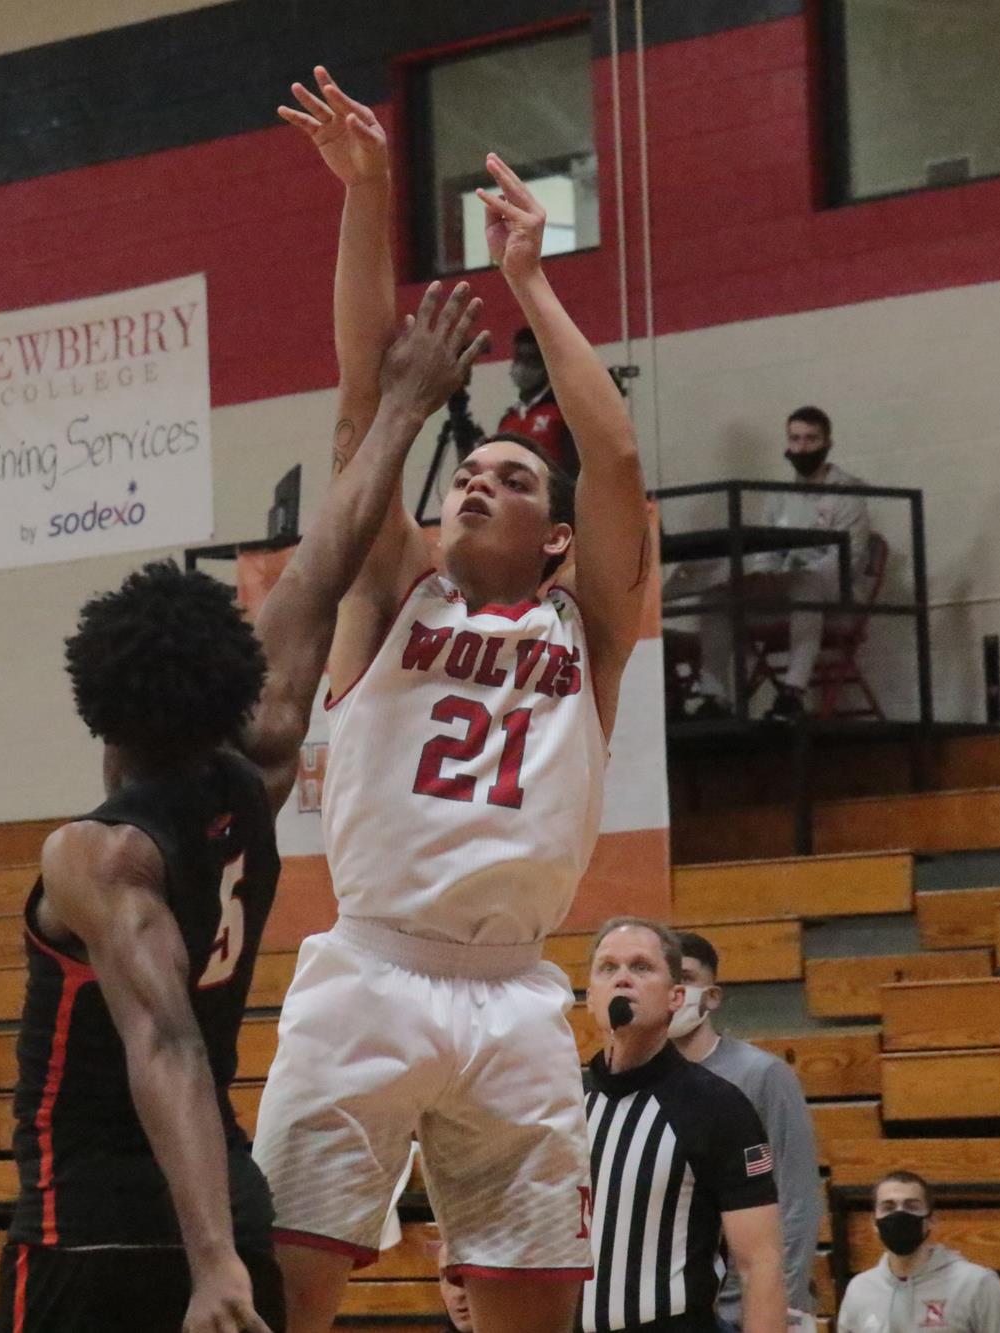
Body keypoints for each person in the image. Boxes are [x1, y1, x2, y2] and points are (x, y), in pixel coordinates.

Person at [0, 283, 490, 1330]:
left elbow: (164, 1044)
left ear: (103, 710)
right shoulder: (255, 773)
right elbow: (321, 566)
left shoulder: (97, 856)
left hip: (96, 1215)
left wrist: (209, 1261)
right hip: (223, 1185)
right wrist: (404, 402)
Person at [258, 68, 650, 1333]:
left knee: (535, 1310)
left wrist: (534, 284)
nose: (475, 481)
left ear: (552, 538)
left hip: (519, 992)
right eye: (466, 471)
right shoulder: (390, 600)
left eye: (510, 477)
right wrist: (366, 192)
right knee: (290, 1293)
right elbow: (363, 399)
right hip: (368, 973)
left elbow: (620, 460)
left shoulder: (583, 629)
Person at [582, 918, 786, 1333]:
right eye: (608, 968)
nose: (623, 979)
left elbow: (759, 1263)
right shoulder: (560, 1101)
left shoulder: (718, 1106)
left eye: (641, 967)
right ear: (589, 998)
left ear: (676, 997)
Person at [666, 406, 871, 721]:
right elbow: (767, 551)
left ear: (828, 443)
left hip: (834, 587)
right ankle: (715, 697)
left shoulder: (848, 492)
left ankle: (792, 694)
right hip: (786, 585)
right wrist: (763, 576)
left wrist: (799, 577)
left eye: (811, 439)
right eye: (795, 439)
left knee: (808, 585)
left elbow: (852, 559)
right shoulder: (780, 495)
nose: (802, 447)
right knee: (718, 596)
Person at [671, 932, 822, 1330]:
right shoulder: (646, 1086)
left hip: (753, 1306)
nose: (675, 990)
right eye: (666, 977)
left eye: (684, 977)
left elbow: (795, 1192)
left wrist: (783, 1304)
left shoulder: (762, 1075)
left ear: (713, 995)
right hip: (686, 1308)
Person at [835, 1171, 1000, 1333]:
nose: (899, 1214)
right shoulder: (859, 1290)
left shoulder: (975, 1283)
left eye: (911, 1206)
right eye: (888, 1207)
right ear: (874, 1223)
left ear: (931, 1220)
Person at [496, 327, 577, 473]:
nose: (522, 366)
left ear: (545, 363)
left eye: (530, 359)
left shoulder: (563, 413)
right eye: (519, 358)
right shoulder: (508, 419)